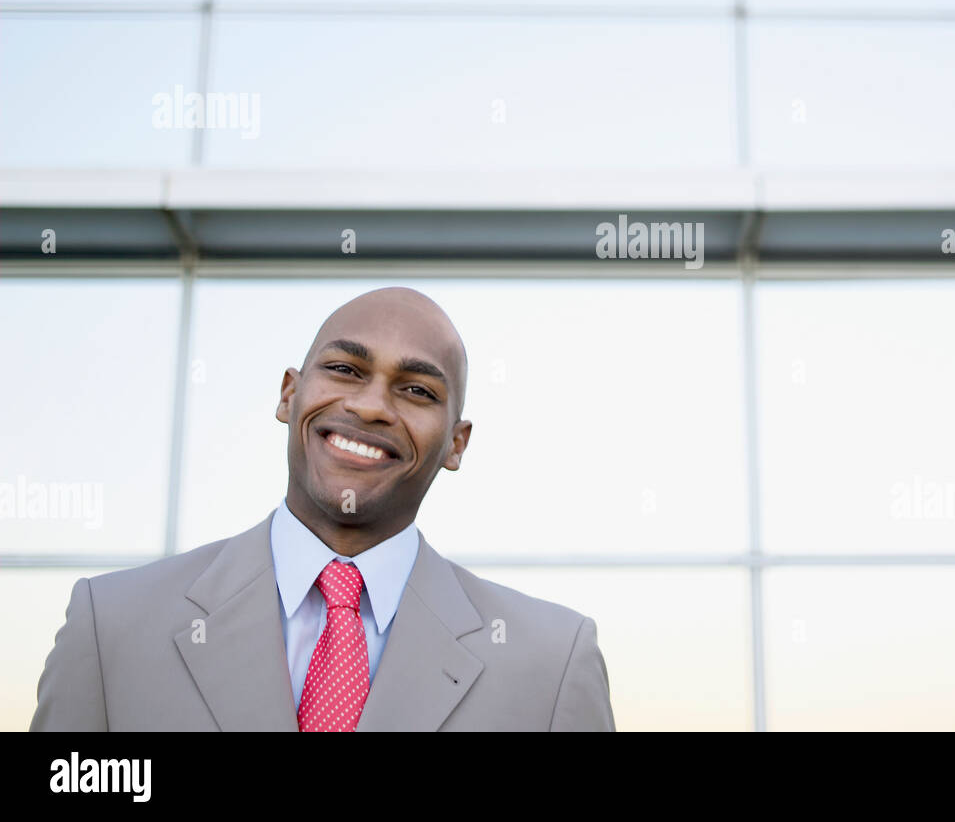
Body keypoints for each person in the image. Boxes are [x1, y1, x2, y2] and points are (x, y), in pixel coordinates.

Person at [30, 287, 615, 731]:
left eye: (416, 390)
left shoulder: (553, 662)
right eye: (344, 370)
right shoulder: (110, 627)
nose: (370, 406)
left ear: (456, 444)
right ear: (290, 393)